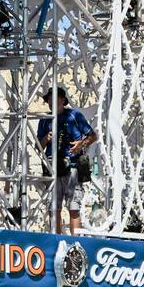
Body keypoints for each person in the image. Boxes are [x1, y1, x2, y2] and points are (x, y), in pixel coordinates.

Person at [36, 86, 98, 234]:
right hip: (52, 169)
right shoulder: (44, 120)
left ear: (63, 100)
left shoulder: (74, 115)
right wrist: (46, 139)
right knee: (53, 208)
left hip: (72, 167)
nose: (51, 101)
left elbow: (93, 136)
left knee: (74, 208)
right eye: (49, 99)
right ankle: (56, 241)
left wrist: (81, 145)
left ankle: (76, 242)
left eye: (55, 98)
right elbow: (38, 146)